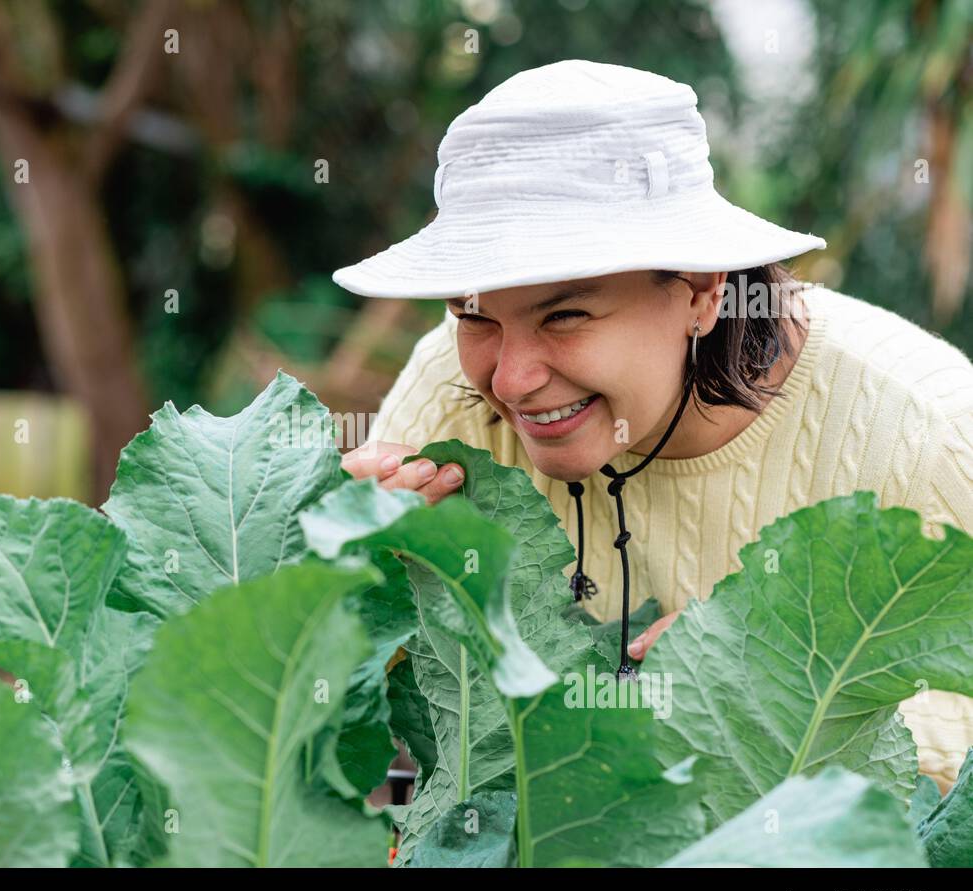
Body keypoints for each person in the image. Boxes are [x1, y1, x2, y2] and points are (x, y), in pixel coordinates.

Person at [333, 60, 973, 792]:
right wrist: (344, 578)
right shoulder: (449, 396)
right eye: (472, 315)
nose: (509, 380)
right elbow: (373, 731)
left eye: (565, 315)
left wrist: (799, 701)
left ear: (701, 289)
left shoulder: (929, 434)